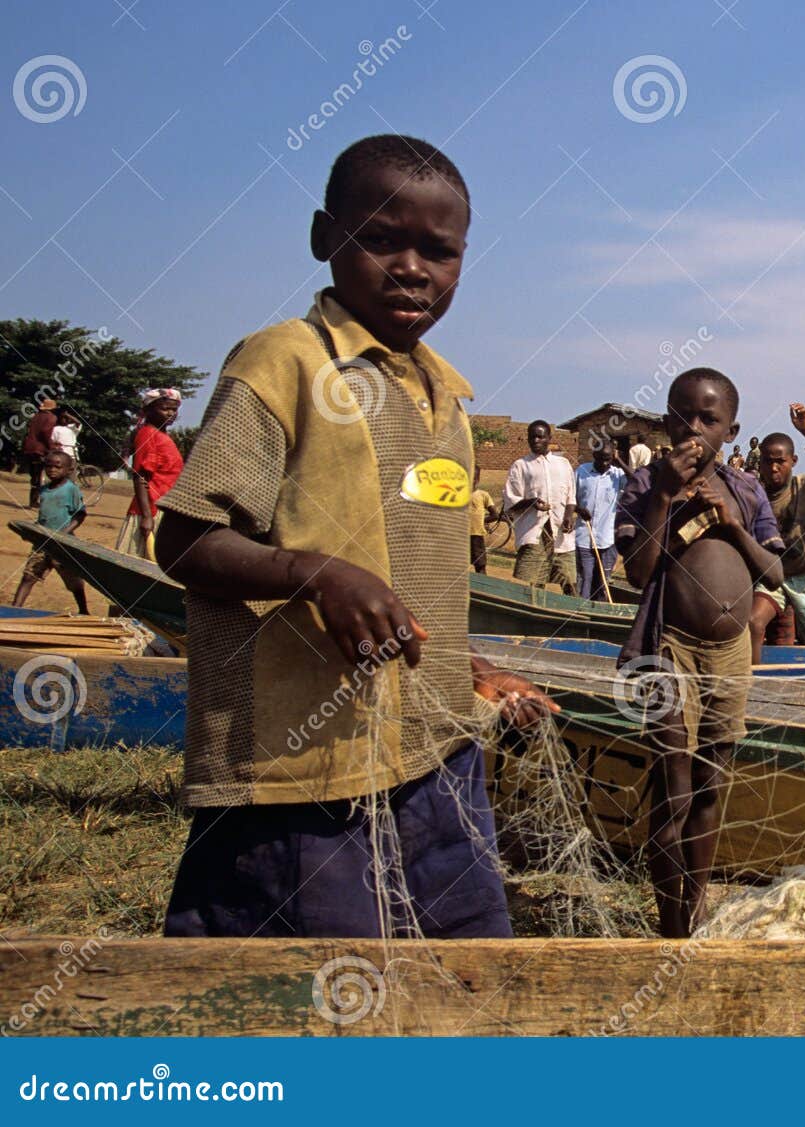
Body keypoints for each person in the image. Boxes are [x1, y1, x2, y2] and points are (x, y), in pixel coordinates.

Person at [152, 134, 557, 940]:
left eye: (438, 251)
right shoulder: (284, 363)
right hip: (303, 771)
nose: (411, 268)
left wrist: (471, 672)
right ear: (322, 237)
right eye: (379, 239)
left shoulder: (445, 398)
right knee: (314, 986)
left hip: (435, 754)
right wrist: (314, 574)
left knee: (462, 971)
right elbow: (187, 539)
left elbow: (414, 575)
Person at [615, 367, 783, 937]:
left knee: (711, 784)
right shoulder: (645, 484)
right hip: (669, 648)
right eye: (683, 417)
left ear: (730, 431)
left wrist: (733, 526)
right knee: (675, 786)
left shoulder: (746, 490)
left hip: (730, 653)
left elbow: (774, 572)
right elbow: (639, 573)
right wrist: (665, 495)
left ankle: (696, 897)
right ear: (666, 422)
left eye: (708, 420)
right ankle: (671, 921)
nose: (694, 429)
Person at [748, 403, 805, 660]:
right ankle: (751, 680)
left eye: (781, 462)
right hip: (774, 578)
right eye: (768, 462)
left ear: (793, 461)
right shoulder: (755, 496)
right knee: (753, 623)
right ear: (760, 463)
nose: (774, 468)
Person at [503, 420, 577, 594]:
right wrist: (532, 502)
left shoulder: (563, 463)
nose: (536, 440)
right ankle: (534, 610)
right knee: (534, 585)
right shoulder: (521, 465)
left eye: (540, 437)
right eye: (532, 437)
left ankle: (574, 610)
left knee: (570, 581)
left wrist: (568, 517)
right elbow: (511, 502)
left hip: (561, 533)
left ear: (549, 438)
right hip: (534, 531)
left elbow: (571, 496)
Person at [12, 451, 90, 614]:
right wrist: (33, 531)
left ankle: (84, 611)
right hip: (42, 543)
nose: (52, 470)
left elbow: (80, 515)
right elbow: (44, 517)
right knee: (29, 576)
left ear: (69, 470)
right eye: (48, 466)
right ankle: (14, 609)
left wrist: (63, 533)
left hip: (63, 545)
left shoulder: (71, 490)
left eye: (57, 467)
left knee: (73, 581)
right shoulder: (44, 490)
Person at [117, 389, 185, 560]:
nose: (171, 413)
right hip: (150, 510)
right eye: (165, 409)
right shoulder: (148, 435)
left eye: (174, 409)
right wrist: (147, 517)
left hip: (162, 508)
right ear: (148, 410)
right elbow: (140, 476)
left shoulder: (161, 435)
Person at [574, 437, 628, 602]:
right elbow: (568, 499)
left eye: (608, 459)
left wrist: (619, 461)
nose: (604, 463)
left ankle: (599, 611)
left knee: (603, 583)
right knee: (584, 581)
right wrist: (579, 509)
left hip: (607, 539)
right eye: (601, 459)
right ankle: (580, 612)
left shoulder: (618, 475)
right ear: (594, 455)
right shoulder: (581, 472)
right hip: (584, 537)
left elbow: (637, 481)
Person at [22, 397, 59, 508]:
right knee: (49, 473)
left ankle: (33, 501)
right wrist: (52, 447)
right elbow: (45, 433)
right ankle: (41, 500)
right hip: (40, 449)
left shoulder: (36, 416)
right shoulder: (51, 417)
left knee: (35, 476)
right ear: (53, 409)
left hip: (29, 447)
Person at [467, 465, 495, 574]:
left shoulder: (483, 495)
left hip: (476, 535)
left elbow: (494, 515)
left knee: (480, 565)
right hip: (459, 536)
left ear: (477, 480)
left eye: (473, 478)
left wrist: (483, 521)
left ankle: (482, 582)